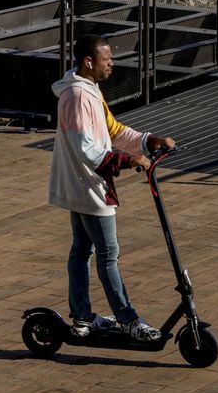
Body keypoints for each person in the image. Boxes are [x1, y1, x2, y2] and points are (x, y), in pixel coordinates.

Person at [48, 34, 177, 342]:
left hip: (80, 185)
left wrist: (149, 141)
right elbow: (87, 149)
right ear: (88, 62)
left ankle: (82, 318)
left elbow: (113, 130)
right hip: (89, 187)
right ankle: (128, 320)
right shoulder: (78, 97)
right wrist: (128, 160)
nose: (112, 63)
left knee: (82, 251)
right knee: (108, 255)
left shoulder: (88, 90)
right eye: (107, 59)